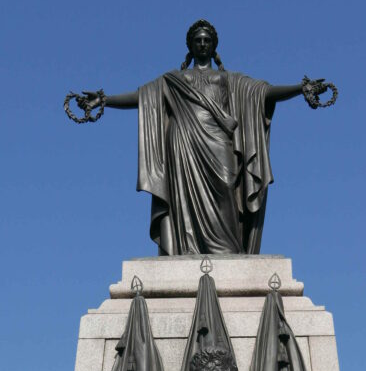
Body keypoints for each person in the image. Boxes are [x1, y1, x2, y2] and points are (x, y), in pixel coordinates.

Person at [74, 19, 328, 255]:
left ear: (214, 45)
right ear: (190, 45)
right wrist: (105, 100)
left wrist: (299, 88)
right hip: (182, 144)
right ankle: (188, 253)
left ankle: (227, 252)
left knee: (228, 188)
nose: (203, 44)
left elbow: (263, 93)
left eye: (207, 40)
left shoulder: (228, 79)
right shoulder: (174, 80)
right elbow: (141, 98)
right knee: (181, 205)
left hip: (218, 144)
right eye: (198, 40)